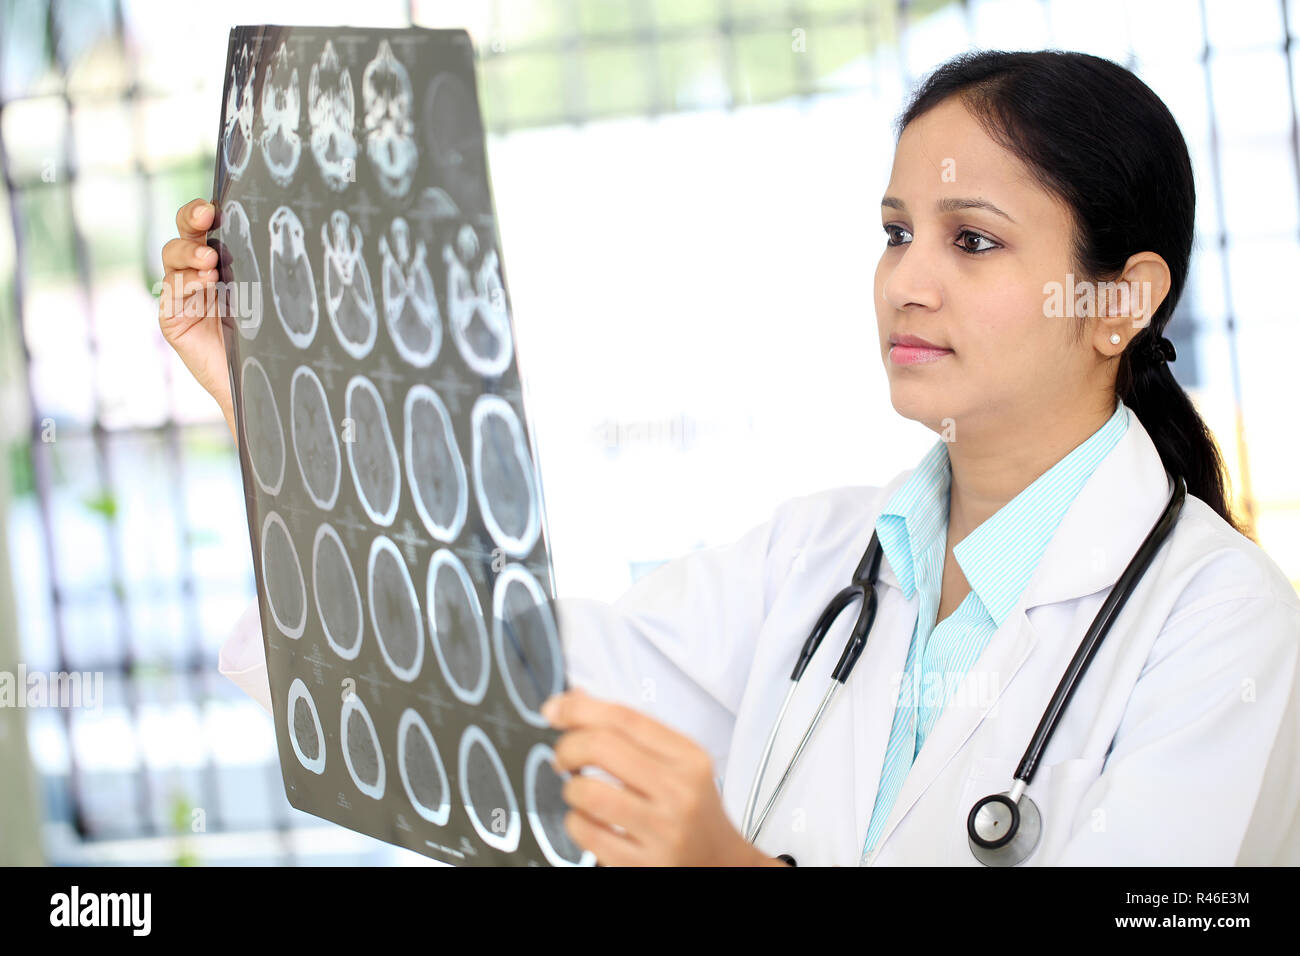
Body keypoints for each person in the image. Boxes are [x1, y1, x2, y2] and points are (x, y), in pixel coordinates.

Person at [160, 49, 1300, 867]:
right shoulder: (814, 559)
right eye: (897, 230)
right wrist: (281, 420)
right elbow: (502, 695)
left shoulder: (1217, 624)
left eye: (974, 240)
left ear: (1118, 299)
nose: (908, 278)